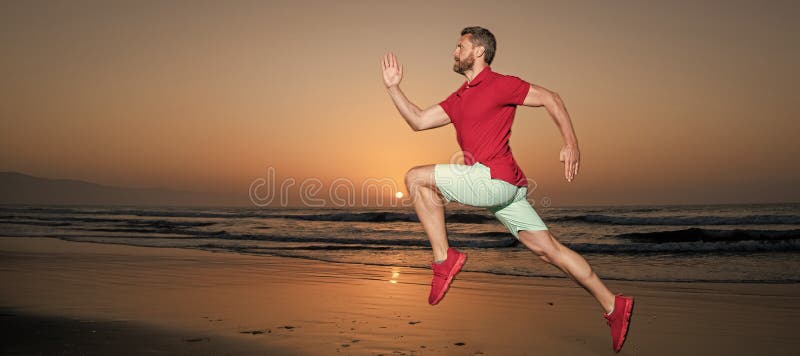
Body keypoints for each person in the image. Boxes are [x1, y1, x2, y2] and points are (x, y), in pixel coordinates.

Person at [380, 26, 634, 353]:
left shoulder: (501, 85)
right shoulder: (458, 98)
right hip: (507, 189)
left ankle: (444, 259)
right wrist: (393, 88)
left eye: (460, 46)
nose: (454, 52)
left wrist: (571, 143)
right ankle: (614, 305)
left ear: (479, 51)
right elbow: (417, 120)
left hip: (493, 179)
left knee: (415, 178)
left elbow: (550, 98)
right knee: (549, 251)